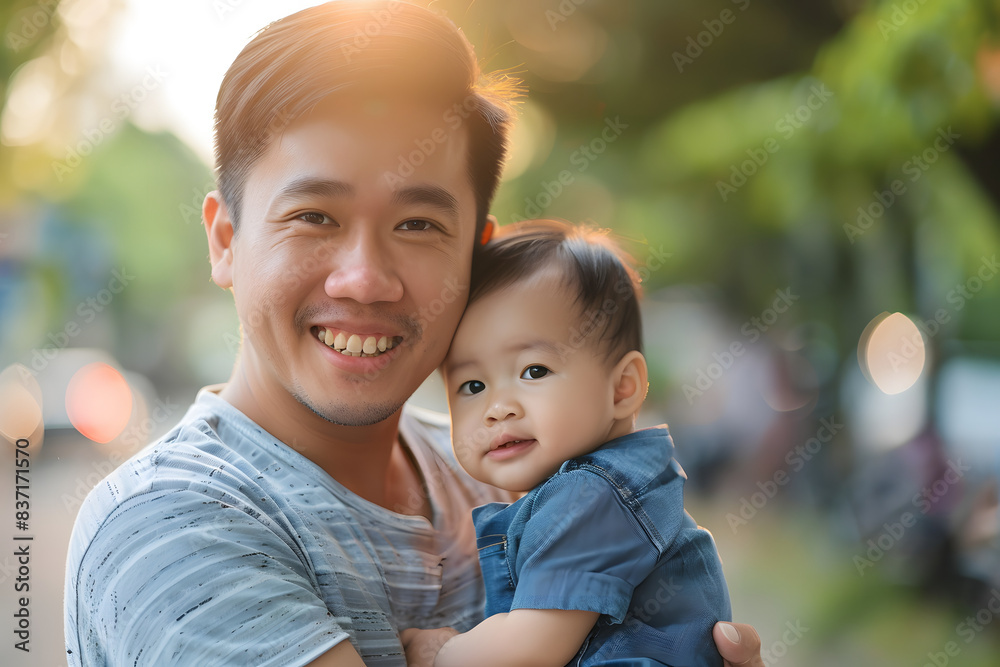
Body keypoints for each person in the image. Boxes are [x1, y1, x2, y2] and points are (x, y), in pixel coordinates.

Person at [62, 2, 764, 666]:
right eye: (313, 216)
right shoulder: (174, 526)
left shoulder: (506, 473)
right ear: (225, 239)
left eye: (418, 225)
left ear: (476, 259)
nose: (364, 279)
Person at [400, 220, 731, 667]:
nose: (498, 408)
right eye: (473, 385)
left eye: (533, 371)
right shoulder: (591, 490)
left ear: (622, 388)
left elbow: (527, 650)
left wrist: (439, 653)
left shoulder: (592, 495)